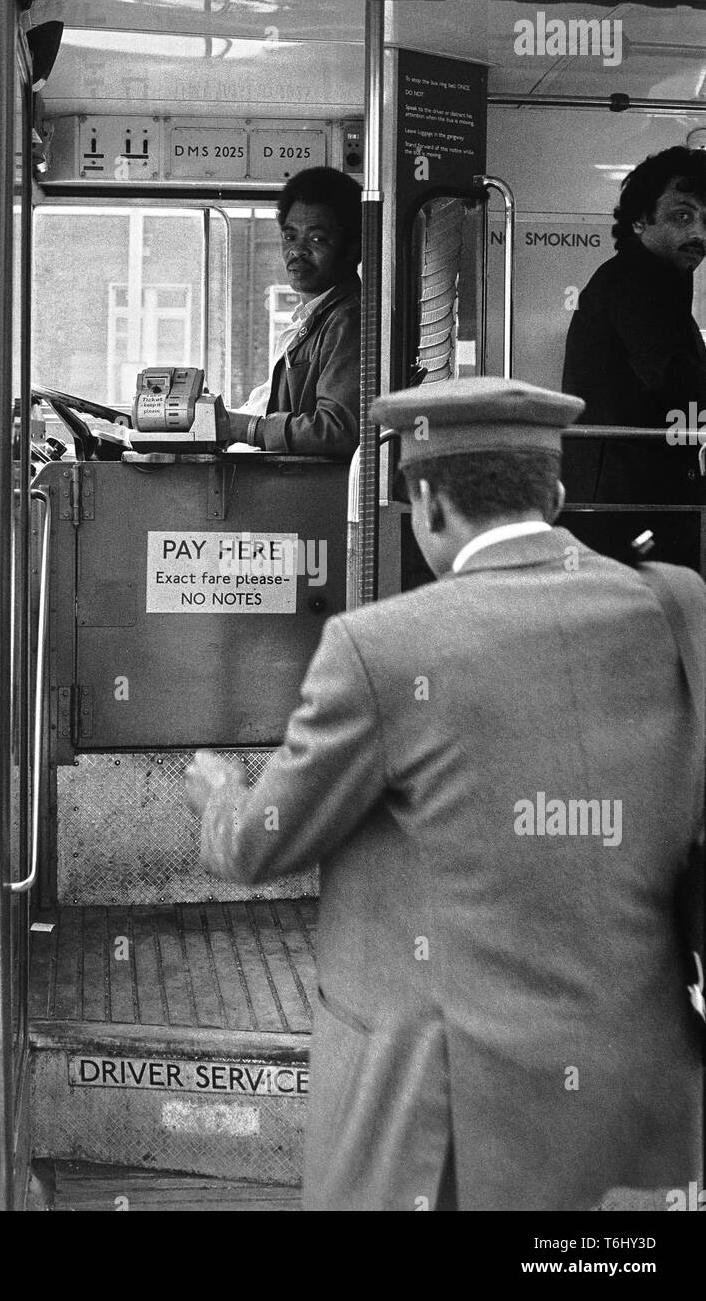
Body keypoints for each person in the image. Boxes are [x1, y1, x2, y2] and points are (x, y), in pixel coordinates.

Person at [186, 377, 705, 1212]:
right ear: (557, 493)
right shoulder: (678, 606)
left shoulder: (379, 649)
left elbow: (258, 846)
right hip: (636, 1098)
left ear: (425, 501)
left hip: (456, 1124)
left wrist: (218, 794)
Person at [562, 144, 706, 503]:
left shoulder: (650, 280)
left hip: (622, 488)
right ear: (640, 220)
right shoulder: (639, 280)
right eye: (682, 217)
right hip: (628, 495)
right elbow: (675, 380)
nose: (700, 234)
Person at [224, 167, 361, 458]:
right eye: (289, 237)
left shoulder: (349, 320)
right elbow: (264, 408)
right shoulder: (310, 320)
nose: (296, 251)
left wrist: (246, 429)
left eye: (316, 239)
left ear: (352, 249)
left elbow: (338, 431)